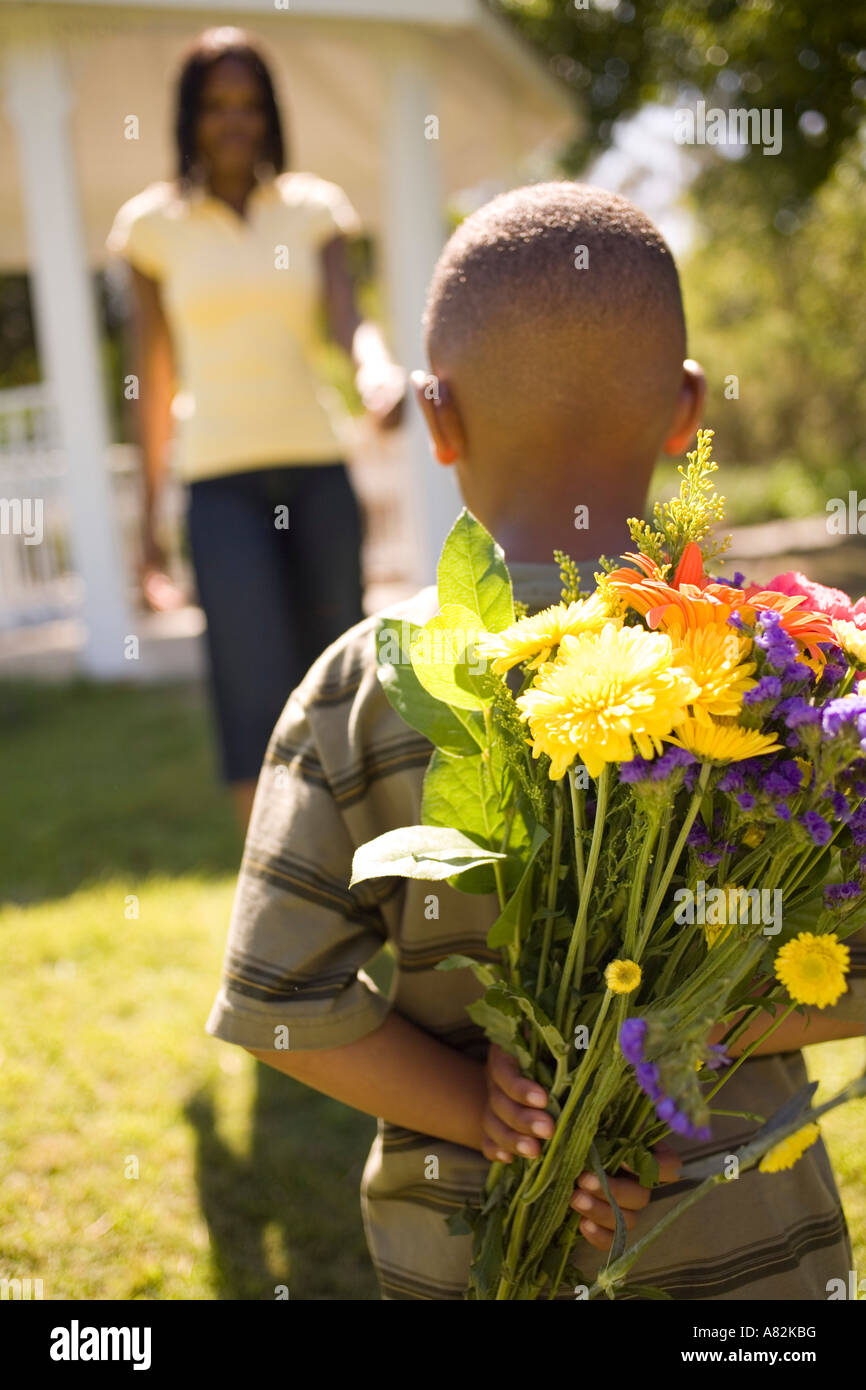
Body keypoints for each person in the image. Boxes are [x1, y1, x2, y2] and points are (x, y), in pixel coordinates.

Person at [204, 183, 866, 1300]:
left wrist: (485, 1109)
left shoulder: (365, 688)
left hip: (462, 1261)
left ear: (434, 416)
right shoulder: (783, 684)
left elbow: (283, 1009)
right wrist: (671, 1037)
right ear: (686, 410)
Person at [106, 26, 405, 828]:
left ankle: (358, 875)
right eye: (216, 106)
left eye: (249, 105)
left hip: (315, 471)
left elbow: (348, 318)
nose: (234, 122)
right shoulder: (151, 228)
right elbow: (152, 381)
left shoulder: (311, 209)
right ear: (189, 118)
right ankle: (273, 891)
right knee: (250, 685)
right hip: (219, 484)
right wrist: (147, 529)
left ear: (270, 115)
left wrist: (376, 370)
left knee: (341, 677)